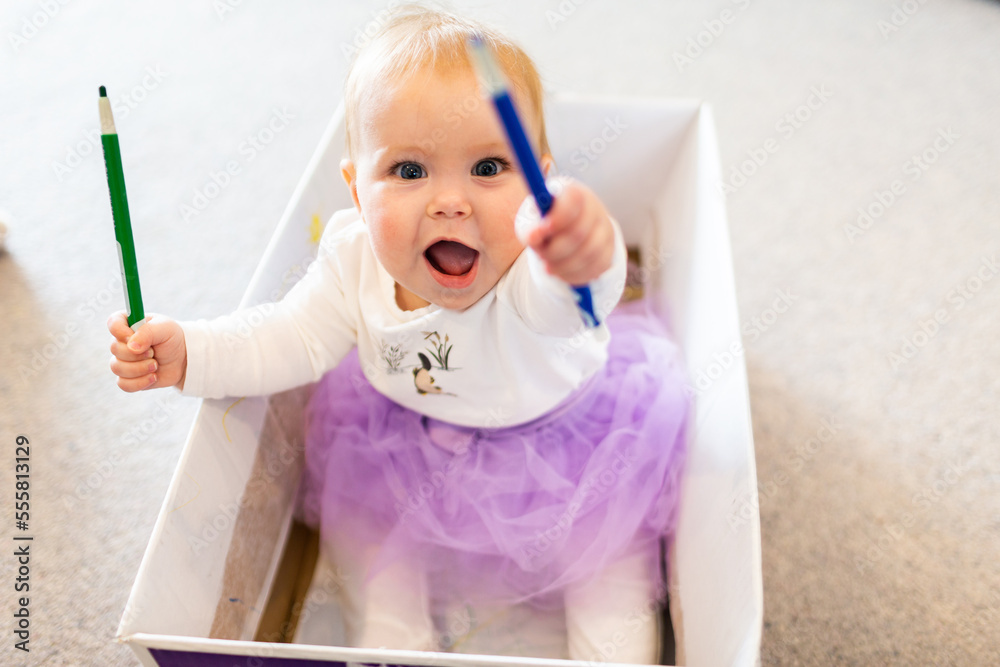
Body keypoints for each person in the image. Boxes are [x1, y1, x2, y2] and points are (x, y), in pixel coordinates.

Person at [107, 6, 688, 662]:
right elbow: (290, 337)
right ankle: (391, 638)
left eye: (490, 167)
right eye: (410, 171)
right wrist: (191, 353)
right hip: (407, 435)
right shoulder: (352, 259)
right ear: (357, 189)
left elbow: (571, 303)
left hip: (567, 443)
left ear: (540, 181)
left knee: (610, 564)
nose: (450, 201)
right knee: (365, 530)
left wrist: (586, 252)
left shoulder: (534, 261)